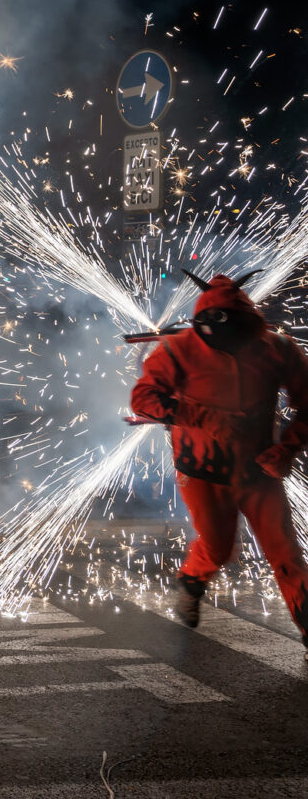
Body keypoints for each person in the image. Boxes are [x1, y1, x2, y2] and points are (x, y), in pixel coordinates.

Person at [131, 270, 308, 652]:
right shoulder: (178, 350)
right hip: (202, 473)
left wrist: (287, 448)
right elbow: (143, 399)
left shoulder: (278, 349)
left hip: (260, 471)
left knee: (287, 556)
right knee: (217, 546)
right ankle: (192, 581)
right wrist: (205, 417)